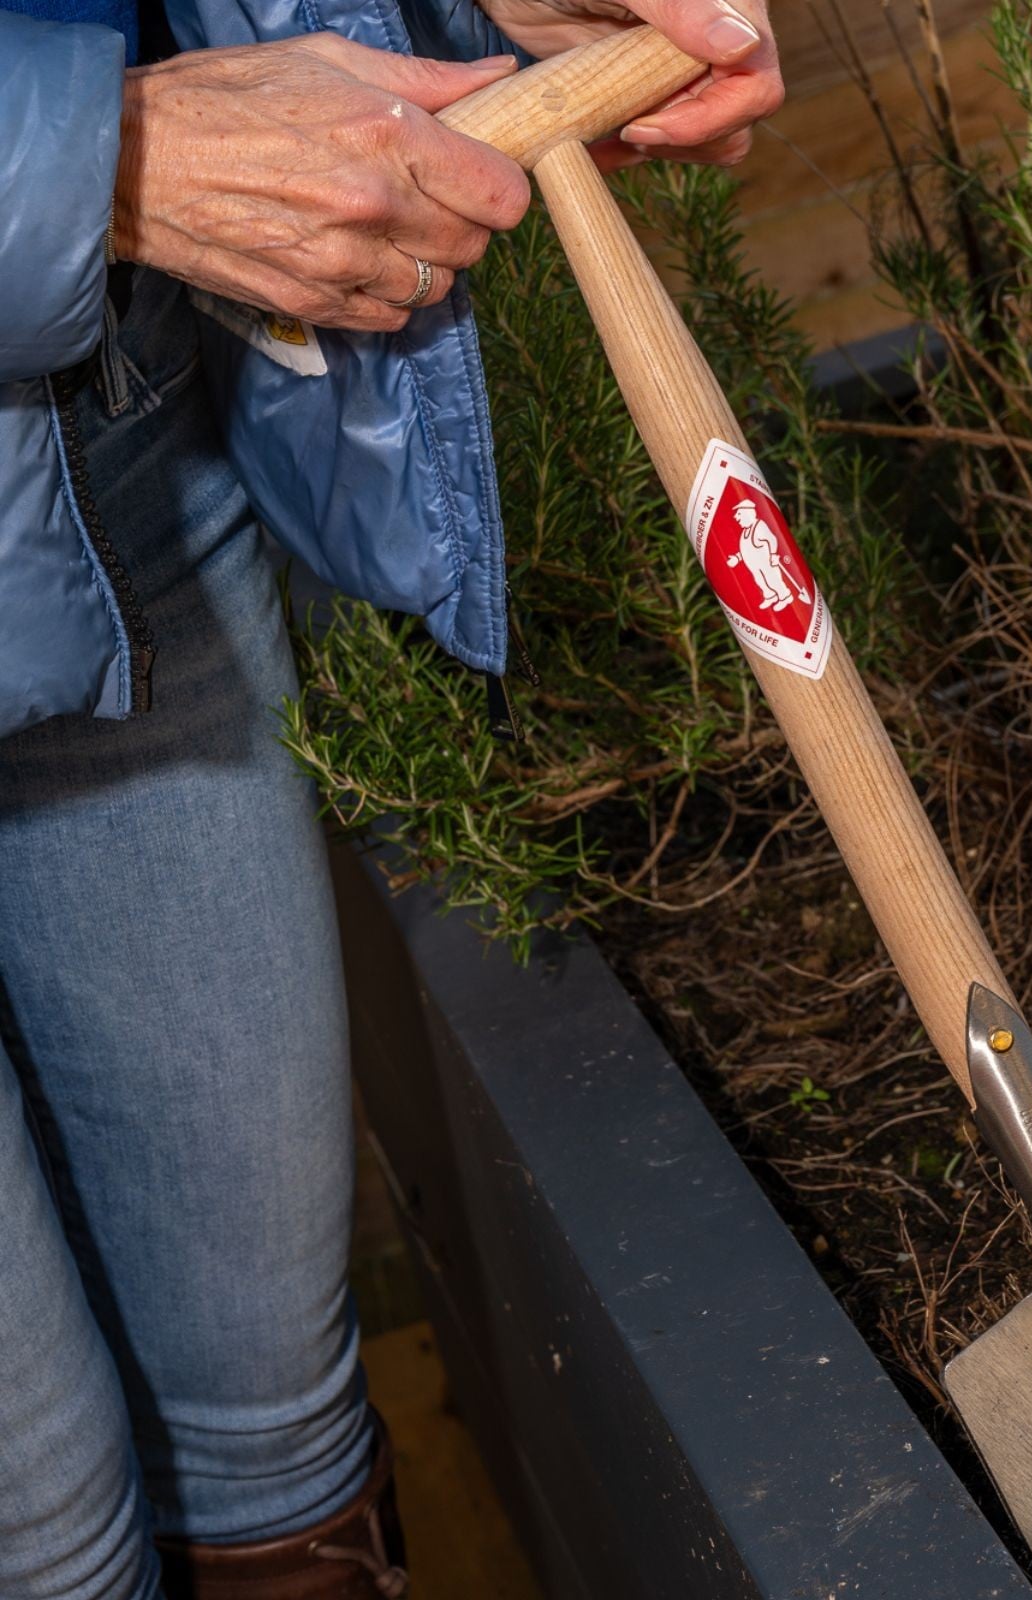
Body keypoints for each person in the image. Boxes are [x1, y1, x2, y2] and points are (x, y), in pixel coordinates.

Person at [0, 2, 781, 1595]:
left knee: (275, 1453)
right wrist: (105, 159)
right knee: (46, 1531)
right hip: (102, 227)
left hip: (109, 440)